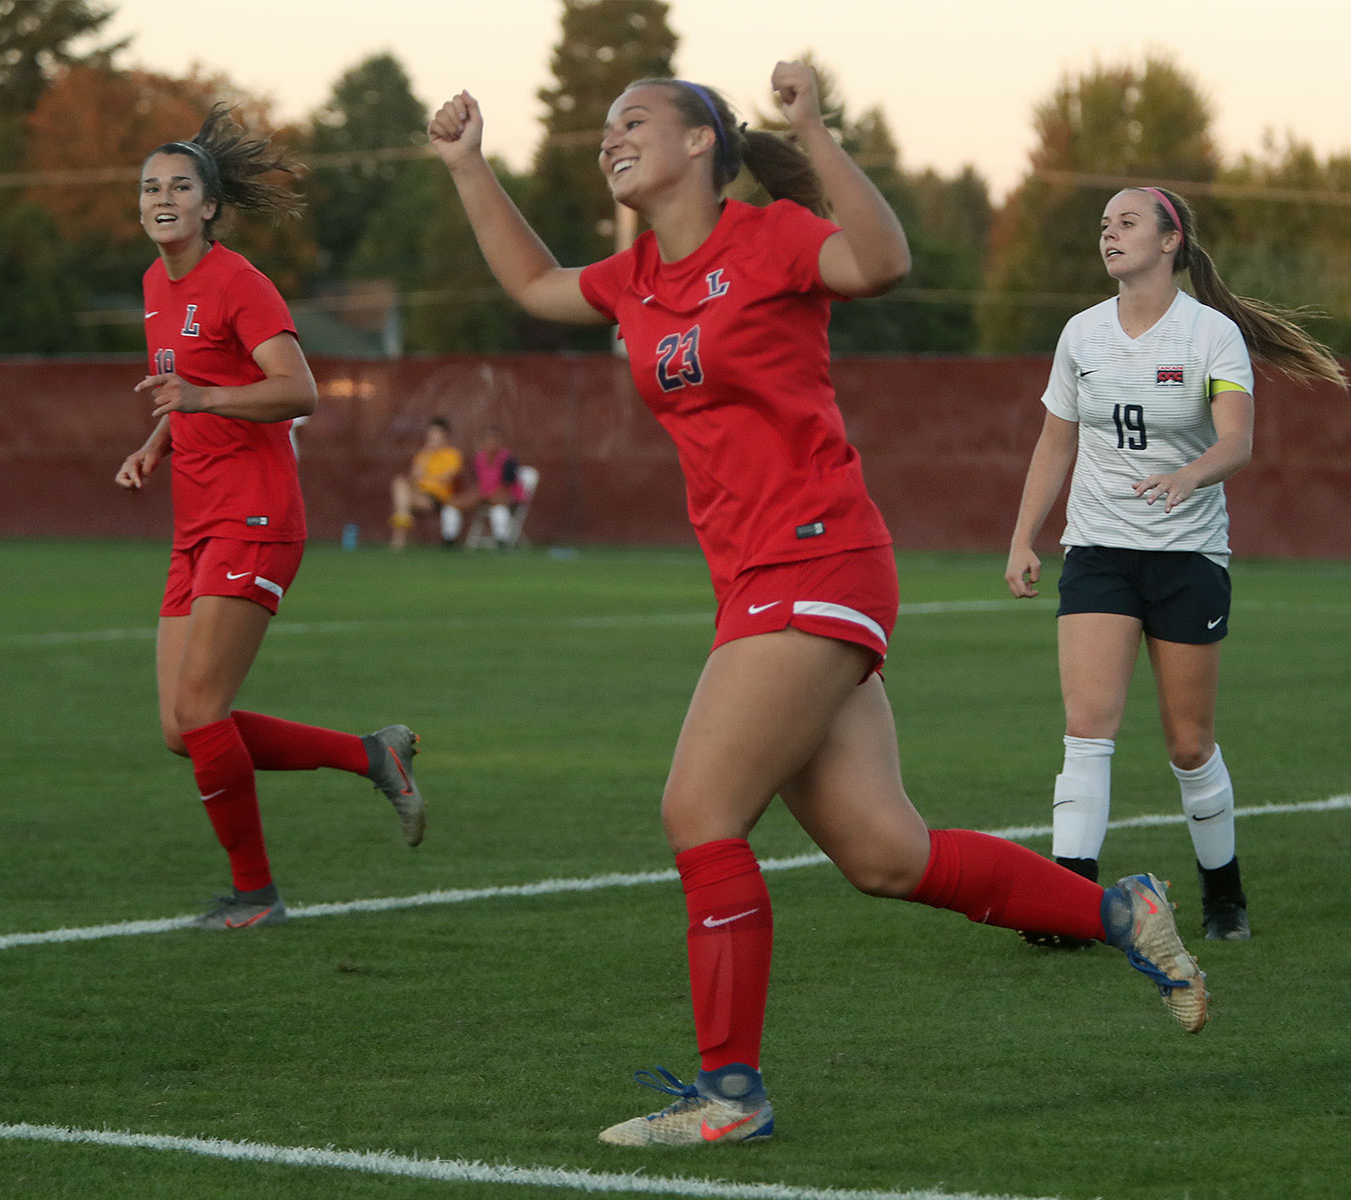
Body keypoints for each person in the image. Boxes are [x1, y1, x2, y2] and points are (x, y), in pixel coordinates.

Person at [428, 62, 1208, 1149]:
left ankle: (730, 1096)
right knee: (887, 854)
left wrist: (814, 130)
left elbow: (882, 260)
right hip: (756, 579)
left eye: (635, 121)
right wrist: (469, 167)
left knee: (699, 813)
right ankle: (1120, 911)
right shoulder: (638, 274)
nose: (610, 137)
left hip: (818, 558)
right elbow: (536, 285)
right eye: (604, 128)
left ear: (702, 143)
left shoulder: (771, 236)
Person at [114, 105, 429, 931]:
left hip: (255, 517)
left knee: (203, 712)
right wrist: (160, 441)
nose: (162, 197)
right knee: (184, 729)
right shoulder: (155, 284)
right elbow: (190, 389)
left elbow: (299, 391)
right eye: (150, 187)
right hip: (198, 521)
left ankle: (256, 894)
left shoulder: (239, 283)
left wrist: (202, 400)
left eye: (180, 186)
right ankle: (369, 754)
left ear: (212, 206)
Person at [1005, 186, 1346, 946]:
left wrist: (1189, 476)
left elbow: (1237, 440)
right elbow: (1055, 440)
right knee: (1087, 728)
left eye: (1127, 223)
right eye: (1104, 225)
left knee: (1188, 744)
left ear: (1170, 241)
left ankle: (1223, 893)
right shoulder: (1081, 335)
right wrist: (1025, 534)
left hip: (1187, 555)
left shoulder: (1210, 335)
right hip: (1097, 552)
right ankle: (1069, 906)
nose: (1110, 234)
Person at [389, 415, 464, 548]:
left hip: (437, 497)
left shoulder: (452, 454)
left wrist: (427, 478)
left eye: (436, 433)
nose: (432, 437)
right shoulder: (423, 454)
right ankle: (402, 518)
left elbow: (446, 479)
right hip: (419, 493)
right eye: (430, 433)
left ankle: (398, 540)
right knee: (399, 483)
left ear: (444, 435)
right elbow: (413, 478)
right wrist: (427, 454)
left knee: (402, 502)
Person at [462, 424, 525, 546]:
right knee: (456, 503)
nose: (490, 444)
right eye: (487, 440)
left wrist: (486, 497)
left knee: (499, 508)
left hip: (507, 498)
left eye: (493, 440)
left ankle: (502, 540)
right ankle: (449, 540)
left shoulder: (508, 459)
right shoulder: (478, 459)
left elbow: (507, 487)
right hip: (485, 496)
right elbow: (477, 483)